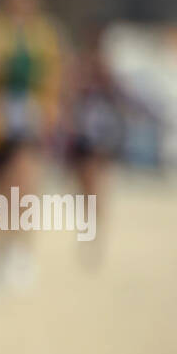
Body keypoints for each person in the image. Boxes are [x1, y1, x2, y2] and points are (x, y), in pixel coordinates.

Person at [0, 0, 64, 290]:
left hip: (30, 118)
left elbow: (55, 73)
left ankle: (20, 250)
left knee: (23, 185)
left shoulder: (44, 33)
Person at [64, 20, 124, 264]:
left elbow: (116, 96)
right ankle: (89, 232)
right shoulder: (78, 65)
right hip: (83, 133)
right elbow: (68, 94)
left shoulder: (104, 66)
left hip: (99, 134)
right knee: (85, 190)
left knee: (94, 189)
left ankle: (93, 234)